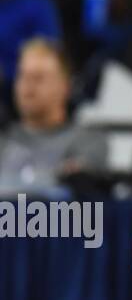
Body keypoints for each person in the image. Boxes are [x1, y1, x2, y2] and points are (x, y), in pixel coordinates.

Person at [0, 38, 108, 199]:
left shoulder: (89, 143)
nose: (28, 86)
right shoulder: (4, 142)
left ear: (65, 86)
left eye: (39, 78)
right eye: (23, 76)